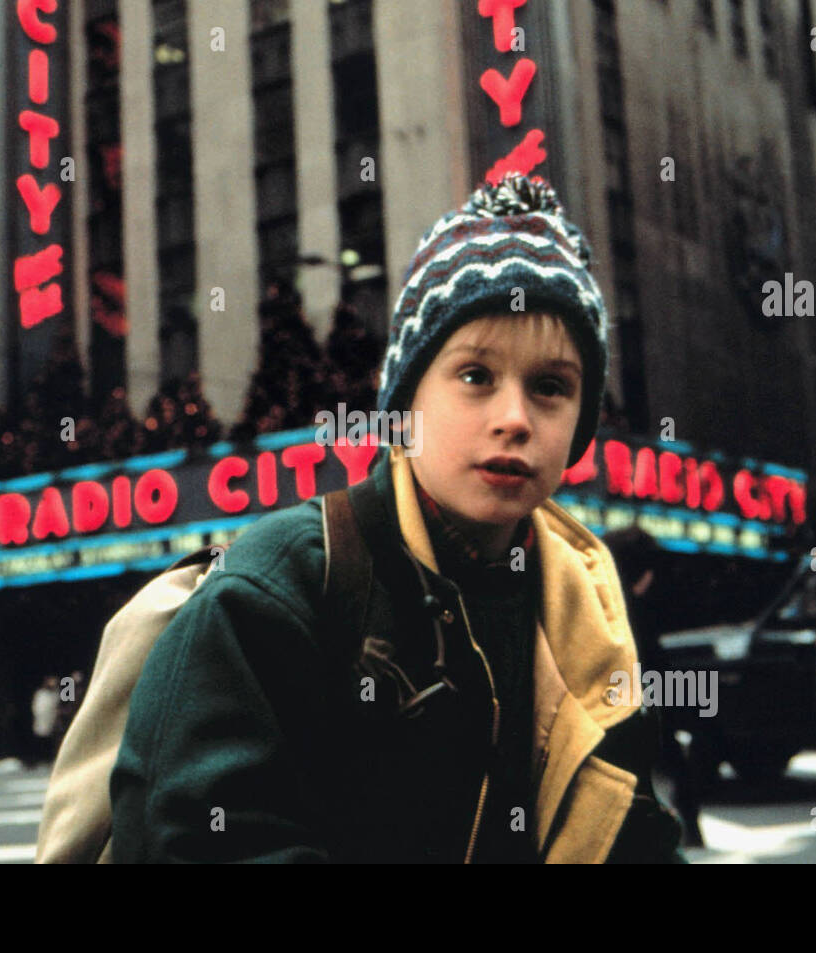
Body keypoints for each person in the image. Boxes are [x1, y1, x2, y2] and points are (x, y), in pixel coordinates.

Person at [109, 173, 683, 863]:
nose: (514, 418)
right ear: (407, 402)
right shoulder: (275, 588)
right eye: (476, 376)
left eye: (552, 387)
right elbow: (197, 838)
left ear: (580, 425)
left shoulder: (588, 618)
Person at [603, 526, 706, 849]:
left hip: (615, 688)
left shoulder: (605, 604)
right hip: (654, 681)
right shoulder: (648, 602)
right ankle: (689, 824)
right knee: (670, 752)